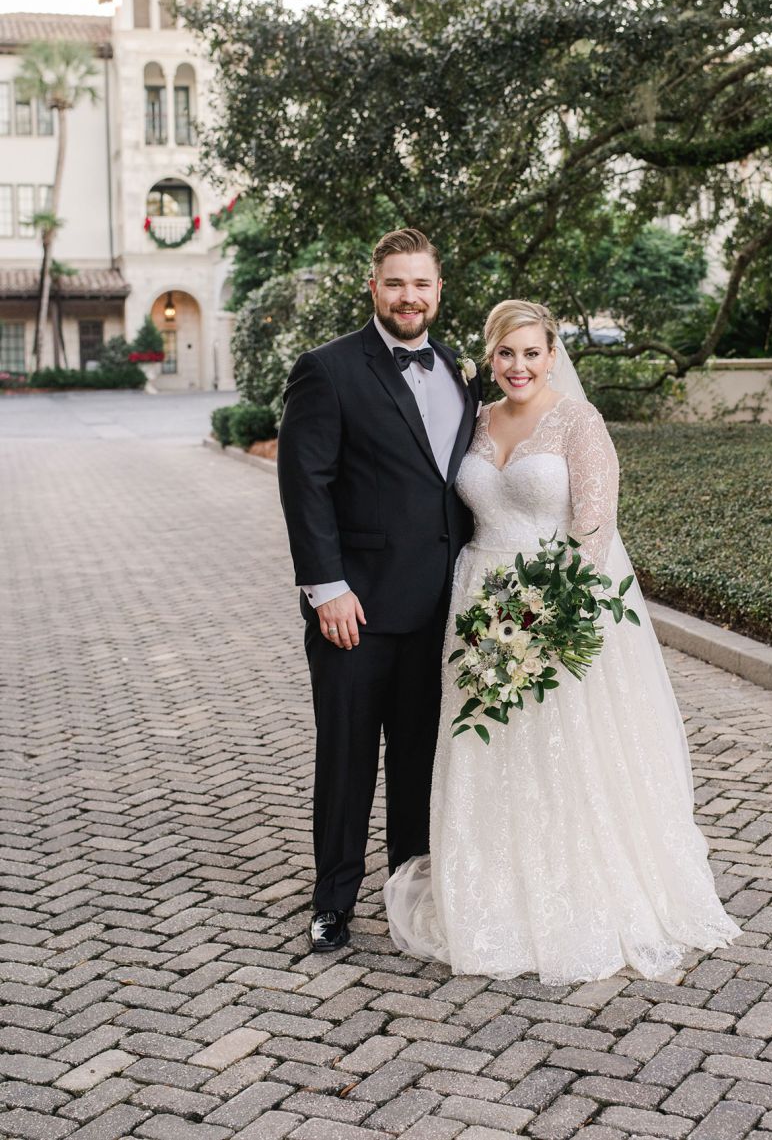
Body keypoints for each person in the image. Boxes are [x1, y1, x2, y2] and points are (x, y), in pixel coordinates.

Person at [384, 299, 740, 983]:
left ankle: (576, 895)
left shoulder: (578, 421)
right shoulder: (476, 419)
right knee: (486, 745)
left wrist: (549, 610)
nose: (518, 366)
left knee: (560, 746)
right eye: (506, 353)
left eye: (531, 353)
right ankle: (487, 895)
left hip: (554, 601)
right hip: (477, 604)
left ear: (551, 354)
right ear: (490, 357)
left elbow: (593, 526)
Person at [277, 228, 481, 953]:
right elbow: (306, 485)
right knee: (346, 757)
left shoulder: (463, 370)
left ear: (437, 288)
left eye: (420, 283)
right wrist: (324, 586)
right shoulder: (326, 369)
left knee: (420, 759)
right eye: (395, 282)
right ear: (373, 286)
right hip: (354, 610)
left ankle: (409, 891)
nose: (408, 296)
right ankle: (332, 899)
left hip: (441, 609)